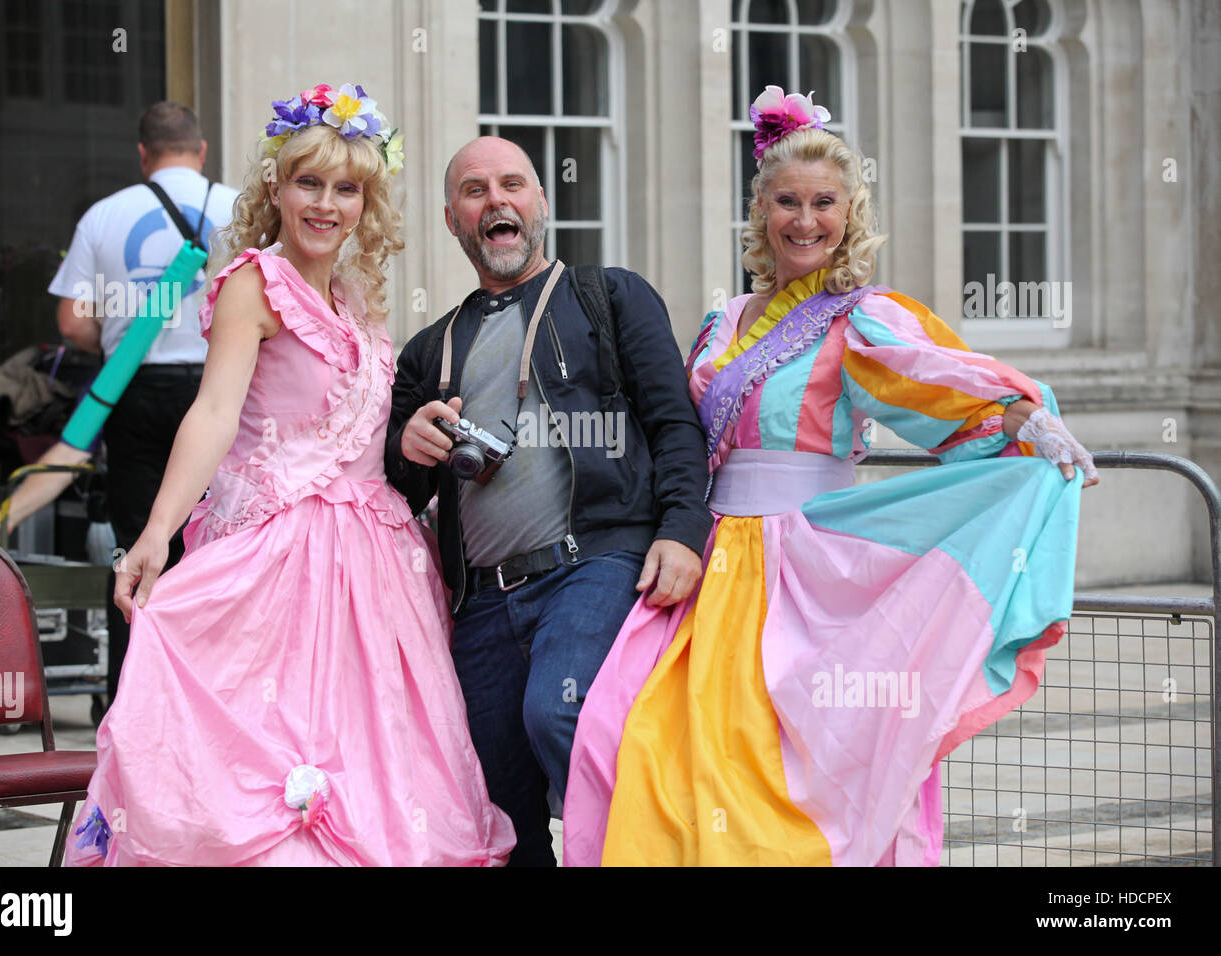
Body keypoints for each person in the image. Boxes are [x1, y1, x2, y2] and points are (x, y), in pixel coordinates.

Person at [563, 87, 1099, 866]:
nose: (805, 220)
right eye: (788, 201)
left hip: (798, 571)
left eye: (824, 203)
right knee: (631, 738)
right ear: (761, 210)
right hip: (705, 558)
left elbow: (934, 386)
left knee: (760, 778)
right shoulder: (723, 321)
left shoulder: (860, 319)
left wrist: (1025, 419)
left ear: (850, 212)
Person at [63, 83, 512, 866]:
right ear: (275, 188)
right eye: (310, 183)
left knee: (385, 776)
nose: (326, 204)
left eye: (347, 188)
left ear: (365, 202)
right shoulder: (253, 282)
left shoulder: (356, 297)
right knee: (269, 769)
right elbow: (212, 413)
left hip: (377, 570)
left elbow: (364, 432)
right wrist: (157, 533)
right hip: (277, 559)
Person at [385, 136, 711, 865]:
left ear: (541, 201)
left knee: (561, 712)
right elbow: (397, 491)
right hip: (482, 602)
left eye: (512, 184)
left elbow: (674, 423)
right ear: (452, 218)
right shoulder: (427, 350)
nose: (495, 200)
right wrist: (409, 445)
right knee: (495, 801)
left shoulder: (610, 296)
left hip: (595, 564)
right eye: (474, 190)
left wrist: (683, 529)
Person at [49, 101, 238, 705]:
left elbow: (72, 322)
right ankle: (207, 698)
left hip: (133, 390)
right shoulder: (239, 207)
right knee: (216, 544)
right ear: (201, 150)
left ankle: (130, 698)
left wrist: (122, 335)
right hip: (218, 388)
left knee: (135, 544)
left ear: (142, 154)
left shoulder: (104, 215)